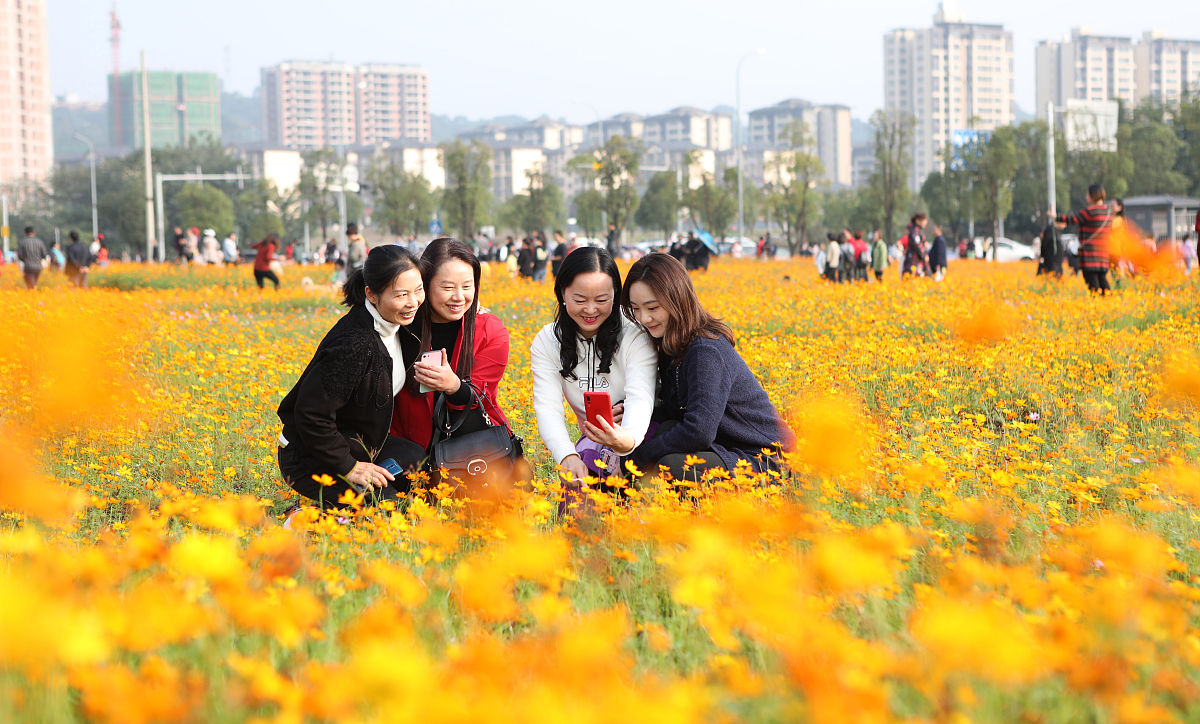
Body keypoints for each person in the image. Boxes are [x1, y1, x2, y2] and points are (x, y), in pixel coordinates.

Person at [276, 245, 427, 513]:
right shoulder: (354, 344)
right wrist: (351, 467)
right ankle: (303, 517)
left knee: (418, 463)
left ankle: (340, 498)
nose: (413, 302)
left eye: (418, 290)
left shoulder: (398, 322)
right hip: (309, 455)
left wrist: (473, 310)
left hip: (360, 443)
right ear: (371, 293)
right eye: (402, 294)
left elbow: (443, 310)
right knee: (381, 511)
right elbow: (311, 415)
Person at [621, 253, 790, 483]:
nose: (644, 318)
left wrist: (640, 458)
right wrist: (631, 410)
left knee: (670, 466)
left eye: (652, 307)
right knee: (665, 428)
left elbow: (699, 431)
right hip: (725, 447)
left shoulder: (704, 350)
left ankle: (668, 512)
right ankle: (622, 504)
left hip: (767, 458)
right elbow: (676, 413)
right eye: (636, 309)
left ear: (677, 299)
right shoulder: (672, 344)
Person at [531, 246, 658, 485]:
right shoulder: (547, 340)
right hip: (593, 440)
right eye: (580, 300)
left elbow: (641, 396)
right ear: (562, 294)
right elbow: (548, 407)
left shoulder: (635, 333)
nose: (590, 310)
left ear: (616, 295)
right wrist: (566, 455)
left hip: (643, 431)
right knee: (580, 477)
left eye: (601, 300)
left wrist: (626, 442)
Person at [390, 238, 519, 469]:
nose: (459, 297)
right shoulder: (400, 326)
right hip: (409, 446)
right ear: (425, 285)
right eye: (448, 287)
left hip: (472, 444)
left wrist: (454, 387)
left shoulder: (490, 330)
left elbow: (483, 400)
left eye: (467, 286)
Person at [1058, 184, 1112, 295]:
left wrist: (1055, 217)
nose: (1086, 196)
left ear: (1093, 195)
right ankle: (1110, 304)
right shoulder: (1108, 213)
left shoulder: (1089, 212)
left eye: (1088, 194)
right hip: (1103, 255)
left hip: (1090, 255)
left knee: (1093, 285)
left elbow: (1072, 219)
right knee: (1103, 281)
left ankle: (1097, 307)